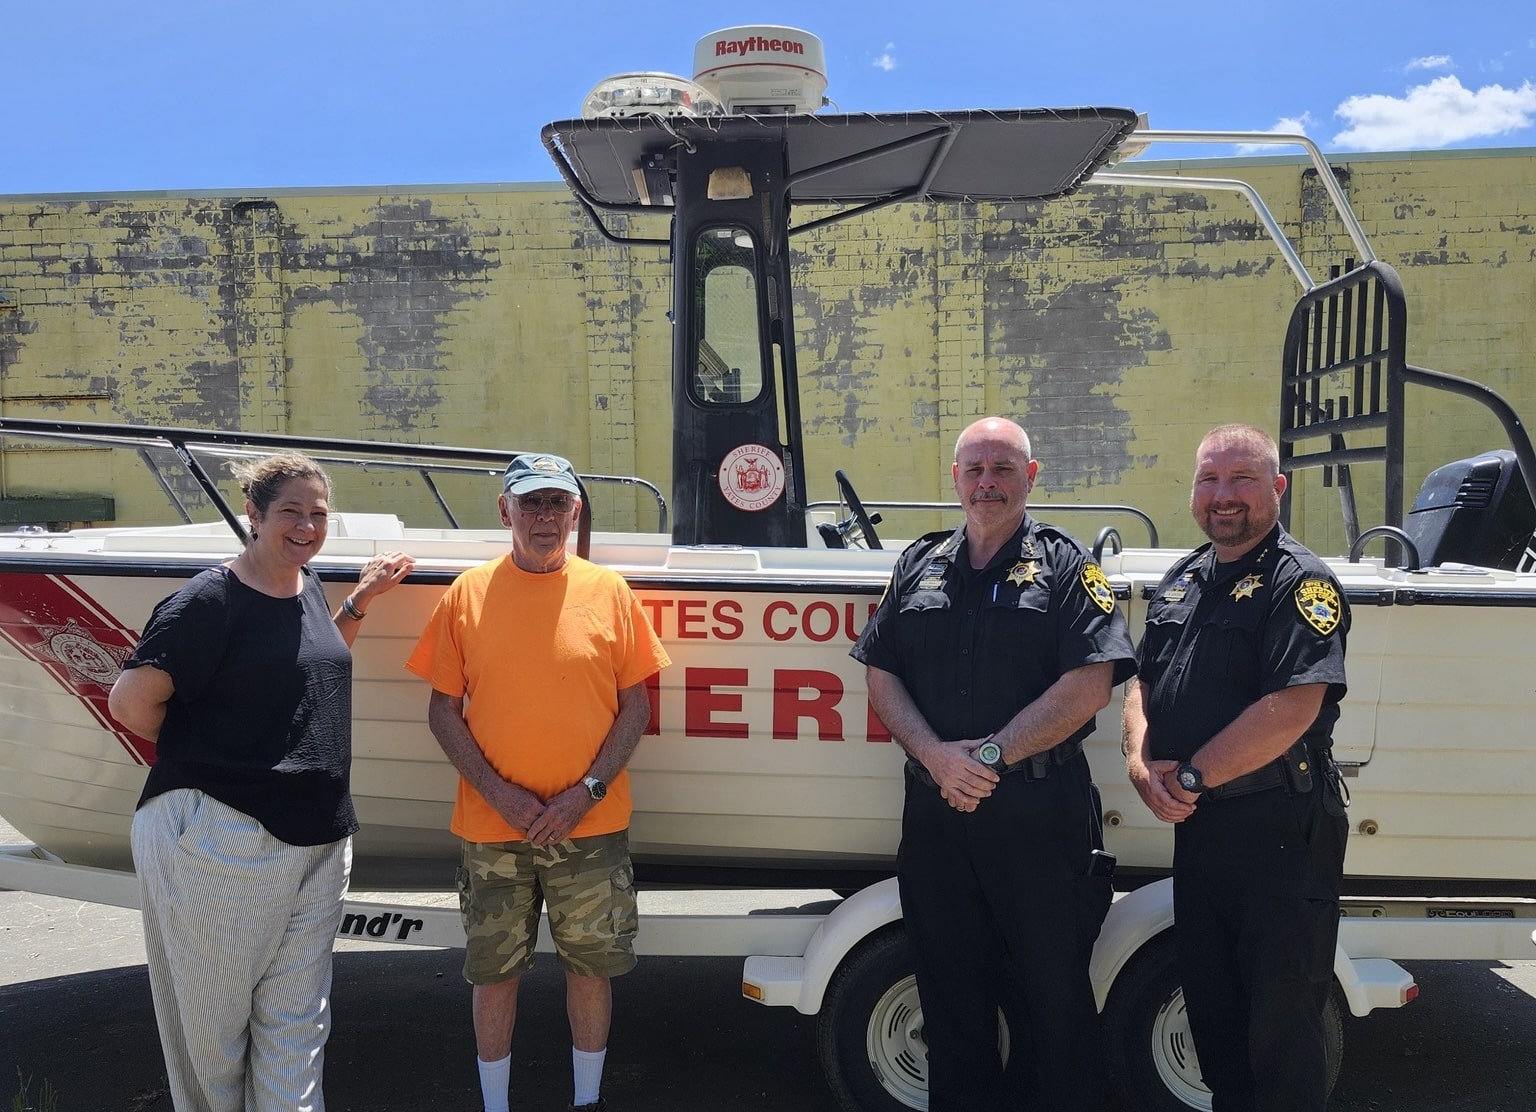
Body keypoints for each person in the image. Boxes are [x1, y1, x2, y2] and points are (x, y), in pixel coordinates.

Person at [107, 453, 414, 1112]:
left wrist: (359, 601)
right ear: (253, 513)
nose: (306, 526)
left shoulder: (306, 588)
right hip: (223, 836)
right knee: (215, 1042)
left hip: (319, 838)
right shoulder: (208, 601)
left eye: (318, 514)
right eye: (290, 512)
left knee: (297, 1029)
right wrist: (219, 753)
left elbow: (310, 667)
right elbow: (130, 703)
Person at [849, 416, 1136, 1111]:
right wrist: (934, 756)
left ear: (1029, 477)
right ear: (956, 478)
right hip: (938, 818)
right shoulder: (918, 564)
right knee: (949, 999)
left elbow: (1090, 684)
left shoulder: (1066, 566)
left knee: (1053, 1003)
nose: (987, 483)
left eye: (1003, 469)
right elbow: (882, 674)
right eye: (974, 469)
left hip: (1039, 818)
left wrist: (985, 757)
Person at [405, 452, 670, 1112]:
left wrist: (587, 792)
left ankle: (587, 1100)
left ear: (575, 513)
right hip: (493, 828)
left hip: (591, 825)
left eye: (557, 503)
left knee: (591, 969)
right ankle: (496, 1105)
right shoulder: (466, 595)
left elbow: (636, 707)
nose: (545, 517)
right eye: (531, 503)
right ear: (506, 511)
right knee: (493, 973)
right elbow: (442, 711)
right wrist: (500, 793)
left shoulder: (610, 591)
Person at [1123, 422, 1350, 1112]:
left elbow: (1292, 706)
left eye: (1241, 479)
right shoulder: (1184, 578)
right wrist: (1139, 761)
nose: (1223, 495)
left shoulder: (1300, 581)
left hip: (1279, 834)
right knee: (1214, 1020)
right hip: (1203, 833)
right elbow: (1141, 681)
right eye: (1209, 479)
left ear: (1276, 487)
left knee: (1281, 1033)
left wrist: (1190, 777)